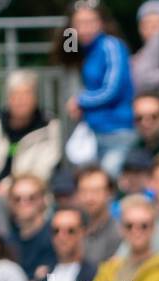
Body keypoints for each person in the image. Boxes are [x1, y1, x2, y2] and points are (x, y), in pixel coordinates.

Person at [58, 1, 134, 178]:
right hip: (93, 132)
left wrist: (80, 101)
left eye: (90, 22)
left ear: (101, 23)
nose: (85, 28)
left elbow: (112, 89)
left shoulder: (111, 45)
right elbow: (68, 65)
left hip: (116, 130)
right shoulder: (84, 49)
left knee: (107, 183)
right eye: (79, 23)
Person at [0, 71, 61, 203]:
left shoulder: (50, 127)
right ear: (8, 99)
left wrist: (9, 187)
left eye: (26, 94)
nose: (20, 100)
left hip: (29, 196)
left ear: (36, 98)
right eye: (15, 95)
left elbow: (42, 171)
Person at [28, 206, 98, 281]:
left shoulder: (94, 275)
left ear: (83, 232)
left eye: (70, 231)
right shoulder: (42, 275)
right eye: (56, 231)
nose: (62, 236)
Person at [5, 174, 56, 280]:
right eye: (17, 199)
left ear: (43, 199)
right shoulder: (7, 241)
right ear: (10, 202)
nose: (24, 203)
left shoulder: (56, 234)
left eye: (31, 198)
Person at [73, 166, 122, 266]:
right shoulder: (68, 229)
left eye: (96, 191)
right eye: (84, 191)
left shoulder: (119, 233)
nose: (89, 198)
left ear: (109, 193)